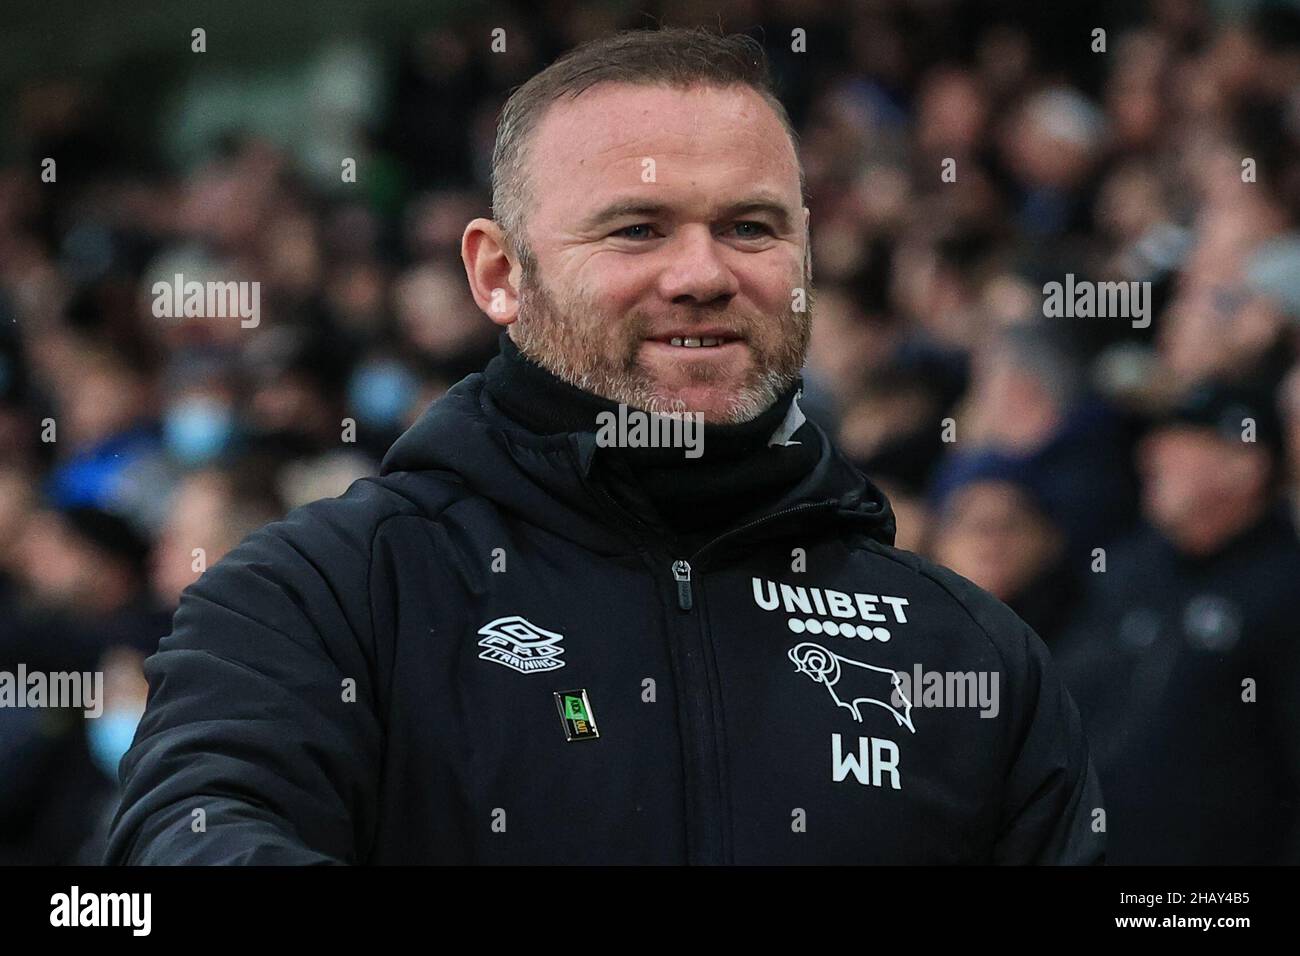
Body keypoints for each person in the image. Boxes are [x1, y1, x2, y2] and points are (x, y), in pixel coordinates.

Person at [105, 28, 1102, 865]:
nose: (703, 273)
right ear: (499, 272)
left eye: (751, 226)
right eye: (636, 229)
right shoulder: (327, 596)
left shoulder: (967, 649)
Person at [1053, 380, 1300, 863]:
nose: (1151, 455)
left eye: (1181, 441)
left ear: (1245, 464)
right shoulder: (1126, 571)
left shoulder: (1286, 589)